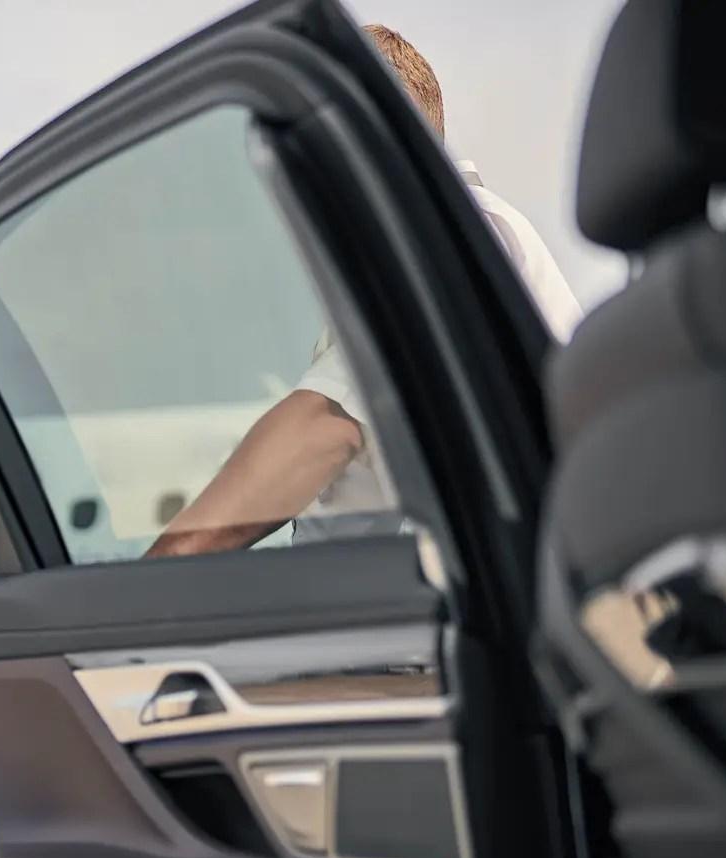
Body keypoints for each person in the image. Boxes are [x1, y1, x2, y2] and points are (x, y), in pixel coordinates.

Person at [146, 24, 582, 559]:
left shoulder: (442, 235)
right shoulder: (458, 238)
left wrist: (148, 580)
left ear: (383, 141)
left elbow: (327, 428)